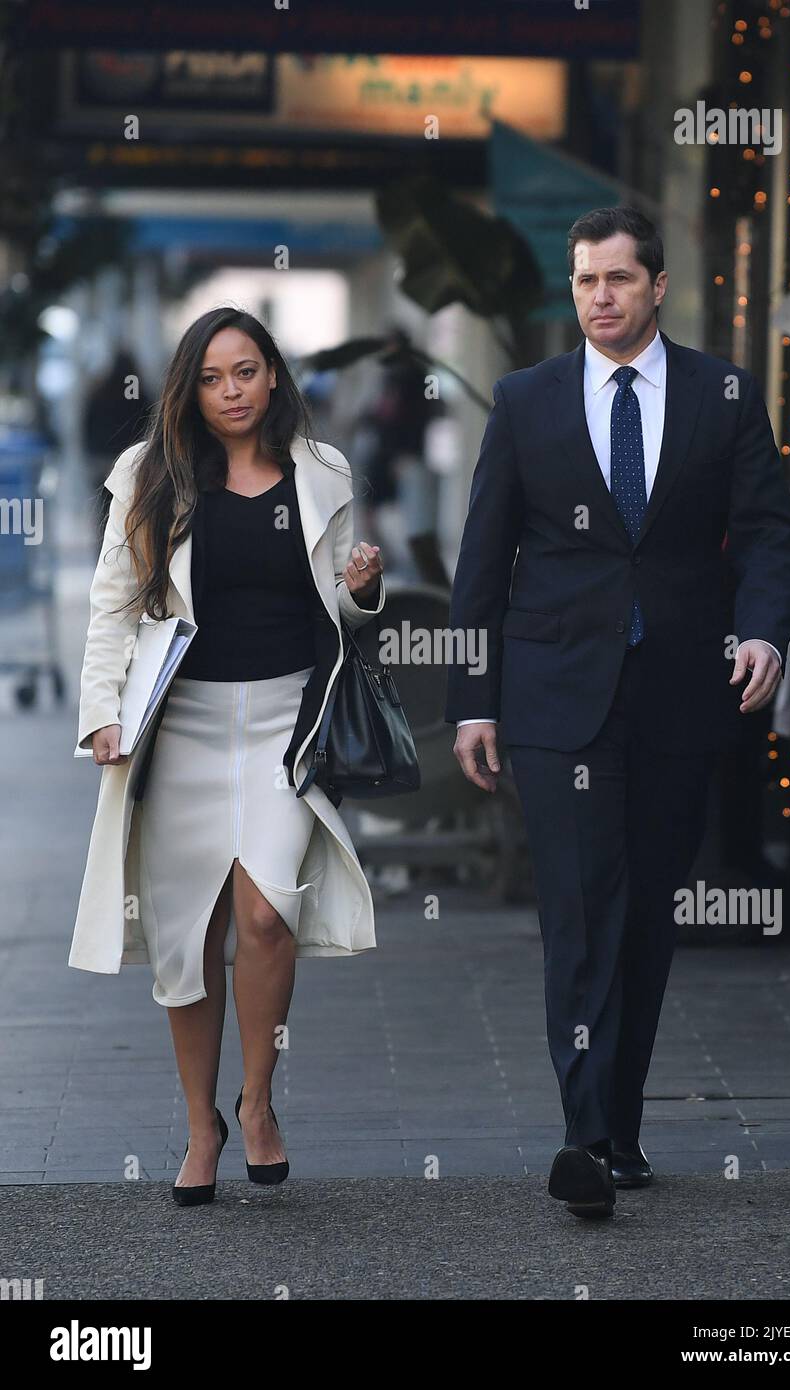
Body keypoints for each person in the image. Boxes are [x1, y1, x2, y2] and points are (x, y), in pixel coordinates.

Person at [445, 206, 790, 1219]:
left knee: (645, 911)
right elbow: (481, 563)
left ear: (654, 287)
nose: (597, 297)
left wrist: (765, 631)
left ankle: (621, 1123)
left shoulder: (721, 396)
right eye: (581, 281)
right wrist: (473, 699)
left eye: (614, 279)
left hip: (682, 695)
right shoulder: (526, 401)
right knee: (577, 908)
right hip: (555, 698)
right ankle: (584, 1139)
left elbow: (770, 534)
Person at [70, 307, 385, 1206]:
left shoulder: (322, 474)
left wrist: (364, 592)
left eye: (245, 372)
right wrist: (101, 715)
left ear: (273, 376)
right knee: (188, 936)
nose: (230, 392)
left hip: (287, 720)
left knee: (265, 918)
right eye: (211, 378)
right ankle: (201, 1126)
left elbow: (343, 614)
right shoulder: (150, 474)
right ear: (188, 388)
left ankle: (257, 1102)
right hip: (184, 725)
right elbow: (113, 604)